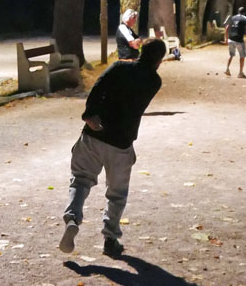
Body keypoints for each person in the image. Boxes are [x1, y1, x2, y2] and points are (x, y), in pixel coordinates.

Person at [59, 37, 166, 259]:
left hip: (95, 132)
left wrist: (89, 114)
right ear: (159, 61)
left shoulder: (119, 67)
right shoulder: (154, 82)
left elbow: (99, 87)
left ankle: (72, 219)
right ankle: (110, 238)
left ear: (140, 52)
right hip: (121, 141)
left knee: (80, 180)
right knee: (117, 194)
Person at [223, 6, 246, 78]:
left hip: (231, 39)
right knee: (242, 56)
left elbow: (227, 28)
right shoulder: (245, 19)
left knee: (231, 55)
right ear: (244, 12)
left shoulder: (232, 17)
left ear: (238, 11)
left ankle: (227, 69)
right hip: (239, 40)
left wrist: (226, 38)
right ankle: (240, 73)